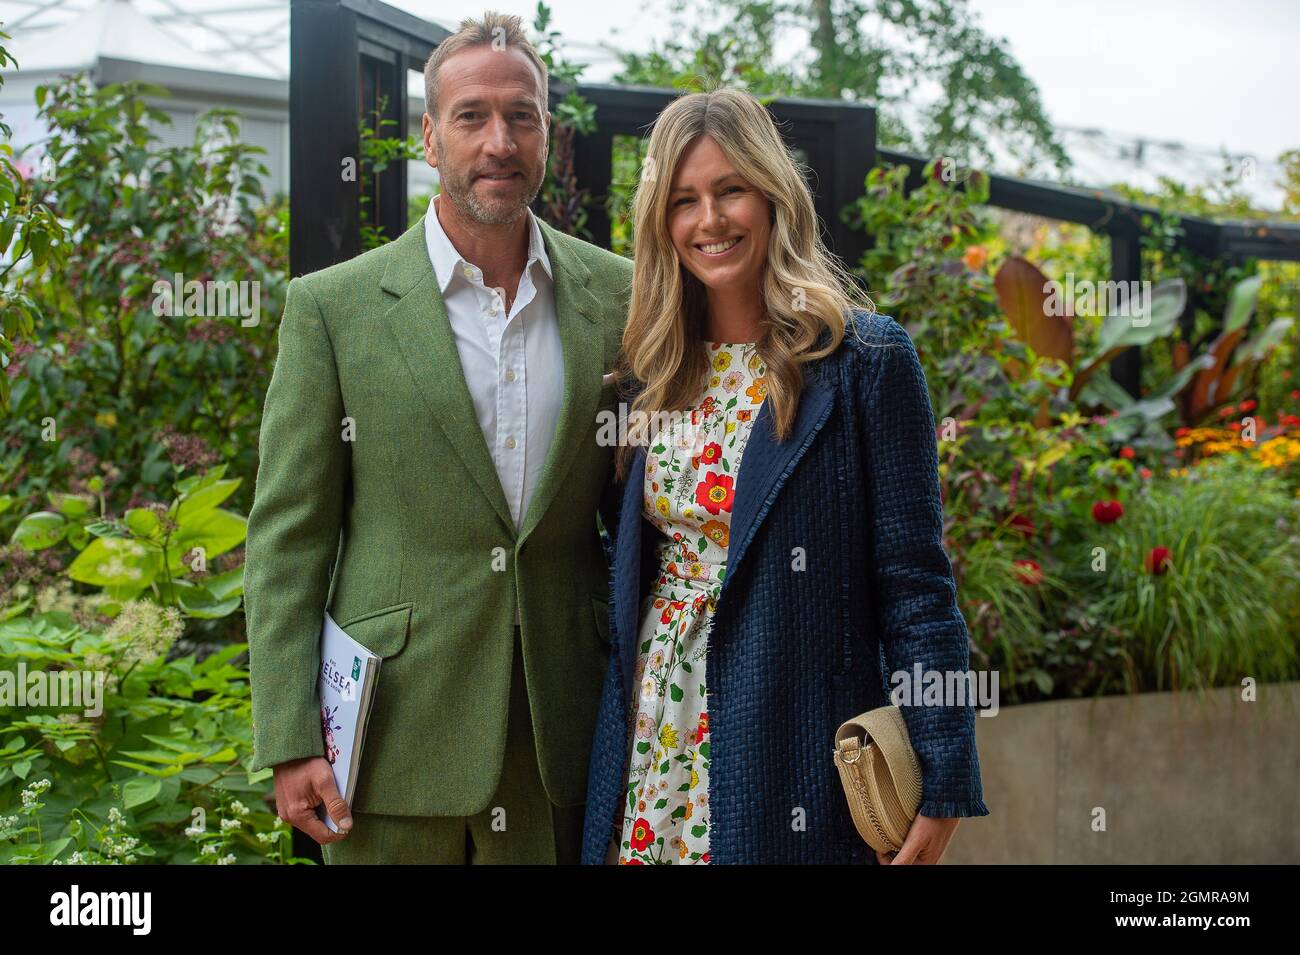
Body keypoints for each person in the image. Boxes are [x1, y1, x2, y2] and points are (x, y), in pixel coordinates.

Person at [244, 11, 631, 864]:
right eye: (472, 116)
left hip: (563, 730)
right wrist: (289, 734)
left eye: (521, 115)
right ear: (429, 136)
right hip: (389, 745)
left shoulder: (621, 295)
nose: (499, 140)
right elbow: (287, 538)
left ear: (545, 133)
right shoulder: (333, 308)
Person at [581, 87, 989, 865]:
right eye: (684, 200)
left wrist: (943, 780)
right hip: (652, 746)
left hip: (796, 750)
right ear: (661, 222)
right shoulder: (648, 375)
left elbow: (917, 585)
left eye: (731, 189)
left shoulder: (864, 360)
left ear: (772, 196)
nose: (711, 220)